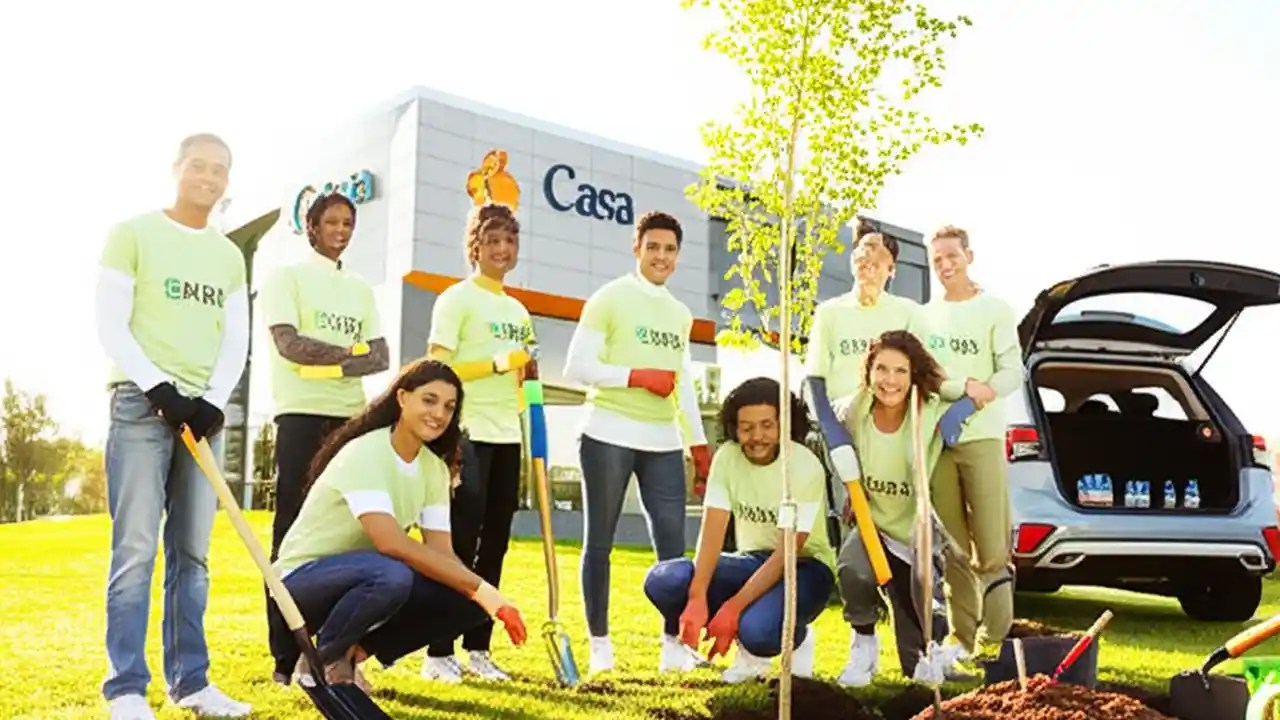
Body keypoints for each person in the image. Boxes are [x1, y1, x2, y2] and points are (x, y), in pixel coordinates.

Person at [94, 133, 252, 719]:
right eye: (198, 166)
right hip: (140, 403)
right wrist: (159, 388)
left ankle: (192, 683)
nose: (208, 177)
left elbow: (235, 337)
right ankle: (127, 689)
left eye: (220, 170)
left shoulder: (228, 255)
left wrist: (212, 402)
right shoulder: (133, 232)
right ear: (176, 169)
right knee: (135, 549)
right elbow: (111, 324)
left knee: (193, 553)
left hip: (203, 416)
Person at [270, 359, 528, 690]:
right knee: (392, 573)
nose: (439, 414)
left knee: (469, 603)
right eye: (429, 400)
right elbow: (390, 542)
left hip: (365, 578)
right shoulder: (367, 453)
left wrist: (488, 598)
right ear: (403, 398)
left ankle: (350, 654)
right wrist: (482, 588)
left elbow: (442, 554)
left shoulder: (433, 469)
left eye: (449, 407)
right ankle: (324, 658)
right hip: (301, 581)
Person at [563, 210, 712, 674]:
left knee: (672, 545)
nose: (661, 256)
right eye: (653, 247)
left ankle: (672, 646)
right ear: (637, 248)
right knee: (600, 542)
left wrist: (699, 445)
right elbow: (578, 367)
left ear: (678, 255)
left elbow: (682, 382)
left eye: (669, 249)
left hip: (663, 440)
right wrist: (635, 376)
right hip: (607, 430)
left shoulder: (679, 313)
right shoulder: (609, 298)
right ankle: (600, 646)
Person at [259, 192, 389, 680]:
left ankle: (333, 653)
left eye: (349, 222)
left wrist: (331, 359)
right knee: (291, 533)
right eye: (332, 221)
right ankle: (284, 654)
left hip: (348, 420)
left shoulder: (360, 288)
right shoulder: (285, 278)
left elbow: (379, 357)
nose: (341, 229)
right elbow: (290, 345)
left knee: (349, 534)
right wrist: (347, 353)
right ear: (310, 227)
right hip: (299, 415)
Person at [644, 377, 835, 684]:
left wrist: (732, 609)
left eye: (767, 425)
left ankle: (787, 637)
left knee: (756, 630)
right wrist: (697, 597)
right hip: (751, 561)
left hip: (805, 567)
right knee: (665, 580)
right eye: (746, 427)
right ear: (734, 428)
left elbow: (785, 553)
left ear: (783, 424)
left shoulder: (802, 466)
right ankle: (727, 631)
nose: (757, 436)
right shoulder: (728, 458)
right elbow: (712, 532)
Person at [421, 202, 536, 683]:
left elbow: (526, 375)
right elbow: (438, 369)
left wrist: (533, 404)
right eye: (492, 240)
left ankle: (479, 647)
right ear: (475, 246)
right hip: (467, 433)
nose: (502, 249)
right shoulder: (456, 299)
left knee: (496, 547)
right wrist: (495, 362)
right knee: (460, 544)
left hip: (508, 436)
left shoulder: (519, 310)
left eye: (509, 240)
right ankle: (437, 652)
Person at [830, 330, 976, 687]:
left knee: (918, 656)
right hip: (873, 527)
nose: (889, 380)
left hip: (916, 536)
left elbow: (976, 393)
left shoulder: (929, 411)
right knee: (852, 569)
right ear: (869, 372)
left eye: (900, 371)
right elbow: (818, 404)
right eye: (881, 369)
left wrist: (961, 403)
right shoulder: (855, 410)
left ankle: (932, 650)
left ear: (914, 376)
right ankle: (864, 640)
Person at [922, 224, 1024, 662]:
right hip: (936, 439)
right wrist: (955, 393)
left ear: (969, 256)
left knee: (991, 547)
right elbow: (925, 376)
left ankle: (993, 642)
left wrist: (973, 397)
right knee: (954, 546)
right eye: (937, 260)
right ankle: (961, 640)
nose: (945, 265)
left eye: (952, 257)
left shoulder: (995, 310)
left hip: (980, 437)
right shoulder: (924, 317)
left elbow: (1010, 373)